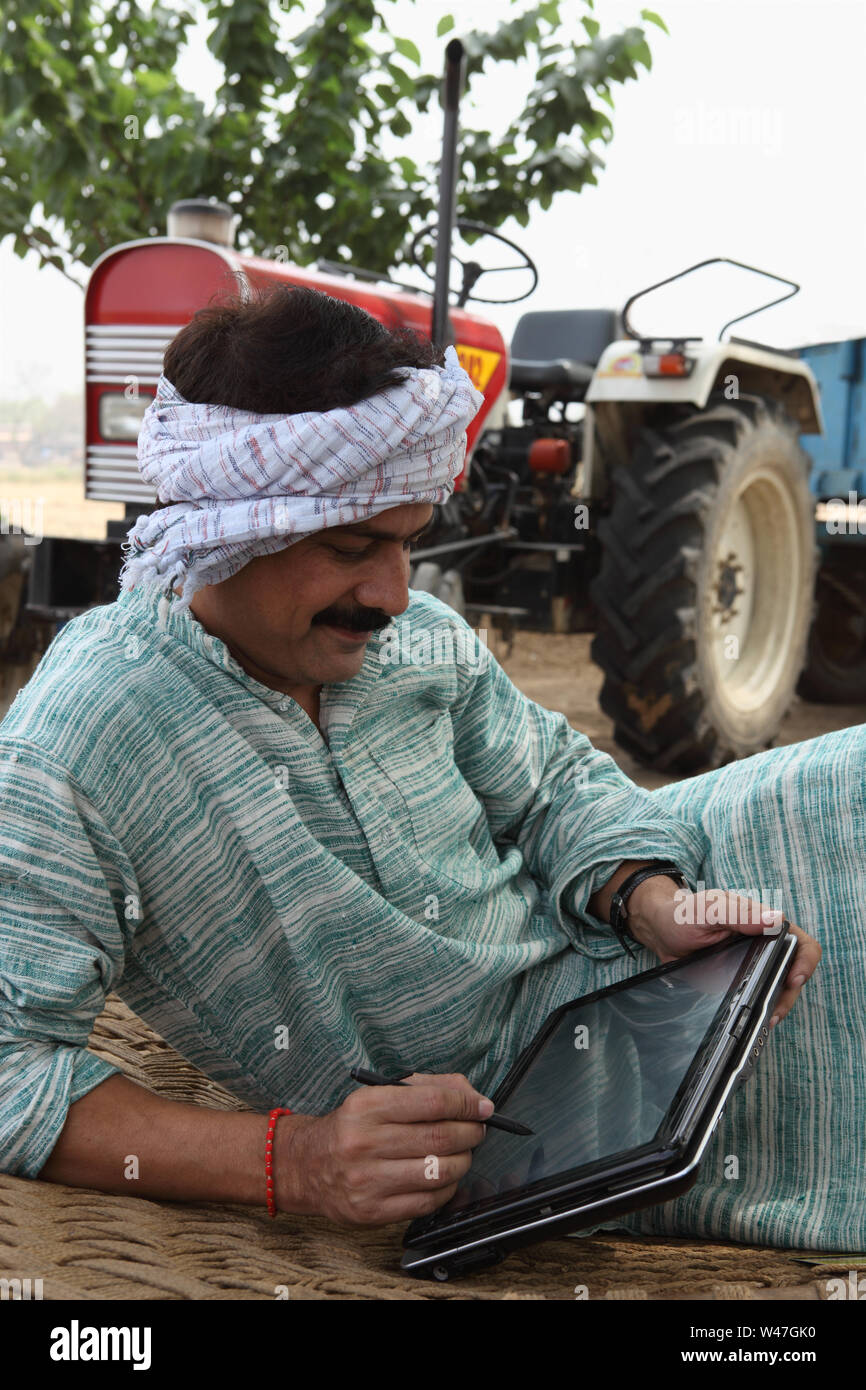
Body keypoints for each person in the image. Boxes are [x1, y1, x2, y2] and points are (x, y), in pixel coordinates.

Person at [0, 284, 855, 1253]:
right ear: (220, 527)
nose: (394, 593)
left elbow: (554, 788)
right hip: (534, 1104)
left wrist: (648, 897)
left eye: (407, 544)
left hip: (646, 972)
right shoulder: (80, 743)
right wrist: (298, 1159)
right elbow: (9, 1068)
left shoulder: (423, 641)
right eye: (350, 547)